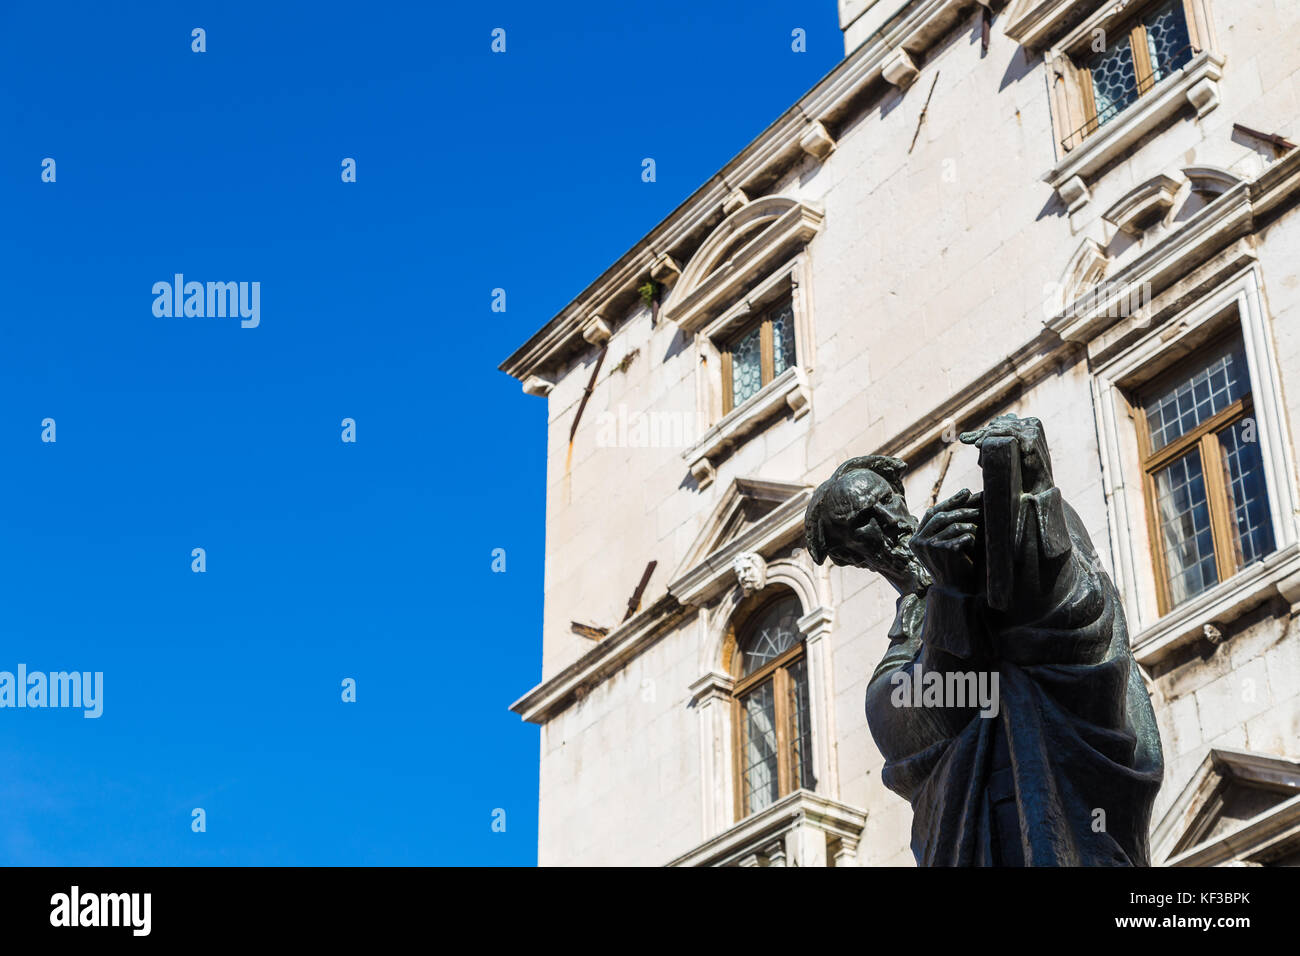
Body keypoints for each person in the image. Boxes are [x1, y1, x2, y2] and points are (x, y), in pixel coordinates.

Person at [805, 414, 1163, 865]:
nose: (888, 520)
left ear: (900, 496)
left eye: (885, 501)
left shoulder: (998, 530)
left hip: (1068, 818)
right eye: (863, 521)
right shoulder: (902, 651)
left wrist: (1037, 494)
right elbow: (923, 720)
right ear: (847, 555)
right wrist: (950, 596)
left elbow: (1084, 629)